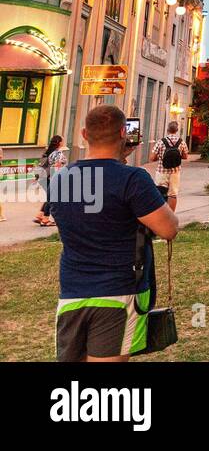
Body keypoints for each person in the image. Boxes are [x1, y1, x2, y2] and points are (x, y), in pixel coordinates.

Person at [47, 105, 179, 362]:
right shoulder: (133, 179)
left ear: (84, 134)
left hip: (73, 290)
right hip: (119, 291)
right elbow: (168, 228)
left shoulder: (61, 179)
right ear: (123, 133)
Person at [149, 121, 188, 211]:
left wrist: (160, 157)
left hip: (162, 171)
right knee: (173, 194)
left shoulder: (161, 142)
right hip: (175, 172)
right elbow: (185, 156)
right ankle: (171, 216)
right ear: (177, 130)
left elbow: (152, 158)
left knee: (160, 193)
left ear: (167, 130)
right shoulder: (181, 142)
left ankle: (161, 214)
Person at [34, 135, 70, 226]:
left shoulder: (48, 152)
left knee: (50, 197)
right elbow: (56, 167)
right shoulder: (57, 153)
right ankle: (45, 219)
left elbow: (41, 165)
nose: (63, 141)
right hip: (51, 177)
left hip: (42, 177)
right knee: (52, 197)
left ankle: (40, 215)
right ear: (59, 142)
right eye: (62, 140)